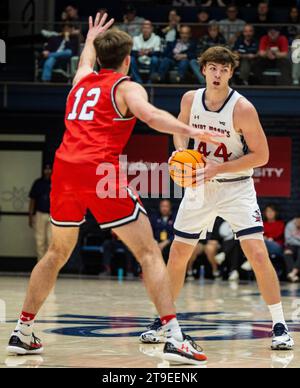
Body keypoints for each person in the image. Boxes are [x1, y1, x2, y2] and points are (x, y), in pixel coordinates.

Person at [7, 13, 220, 364]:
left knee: (56, 254)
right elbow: (150, 116)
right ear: (128, 59)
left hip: (63, 170)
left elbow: (85, 61)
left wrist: (89, 38)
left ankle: (23, 329)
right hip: (98, 171)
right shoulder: (126, 87)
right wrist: (195, 132)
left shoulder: (79, 83)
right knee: (149, 252)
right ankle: (175, 336)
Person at [140, 46, 294, 351]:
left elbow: (261, 156)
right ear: (204, 69)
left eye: (224, 69)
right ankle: (165, 319)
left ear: (231, 72)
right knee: (178, 254)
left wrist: (219, 168)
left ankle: (279, 325)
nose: (217, 74)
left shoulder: (243, 108)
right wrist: (180, 152)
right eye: (212, 68)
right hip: (199, 186)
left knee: (258, 254)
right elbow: (180, 130)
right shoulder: (190, 99)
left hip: (235, 187)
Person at [29, 165, 52, 261]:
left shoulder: (57, 181)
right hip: (40, 214)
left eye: (49, 169)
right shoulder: (38, 183)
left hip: (53, 216)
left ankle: (49, 268)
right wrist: (30, 215)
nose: (47, 171)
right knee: (40, 241)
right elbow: (32, 200)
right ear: (43, 171)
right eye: (46, 169)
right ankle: (41, 267)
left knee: (51, 242)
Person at [284, 216, 300, 283]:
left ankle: (292, 274)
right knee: (287, 252)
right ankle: (293, 275)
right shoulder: (290, 225)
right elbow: (288, 239)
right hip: (291, 244)